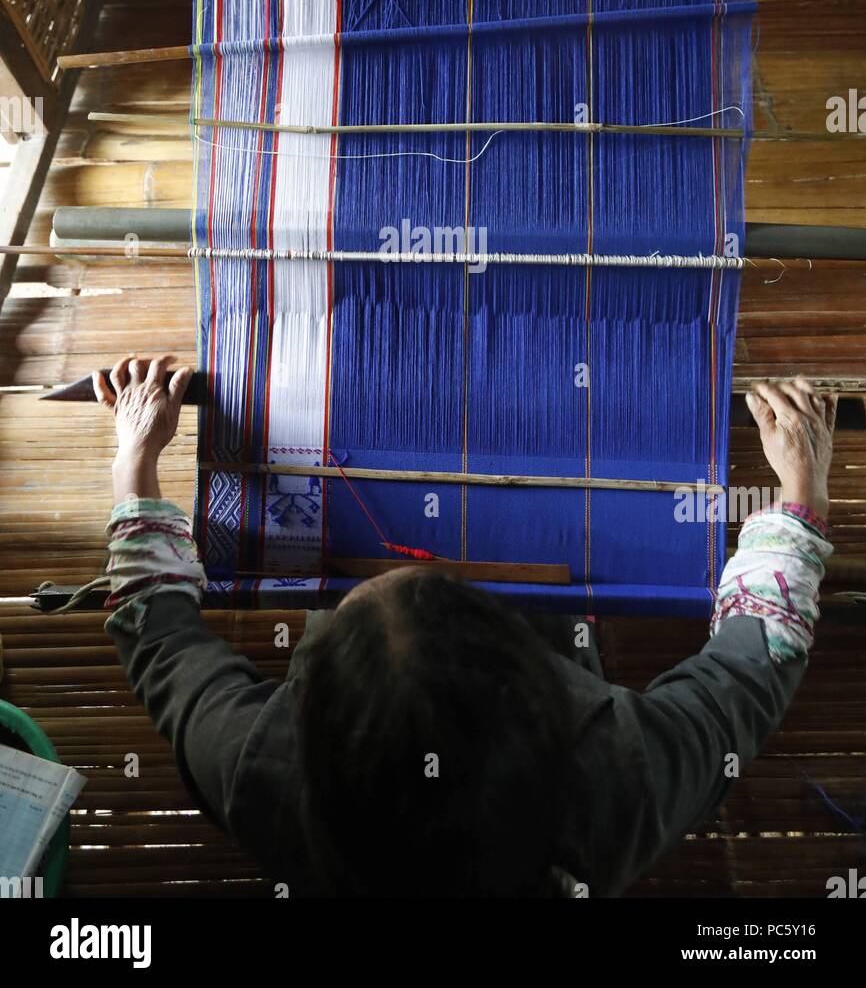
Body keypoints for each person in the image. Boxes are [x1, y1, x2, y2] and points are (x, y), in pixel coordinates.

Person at [94, 355, 836, 898]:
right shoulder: (618, 780)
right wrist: (801, 488)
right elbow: (751, 663)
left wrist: (134, 457)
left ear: (303, 707)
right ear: (534, 677)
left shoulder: (261, 771)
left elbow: (157, 631)